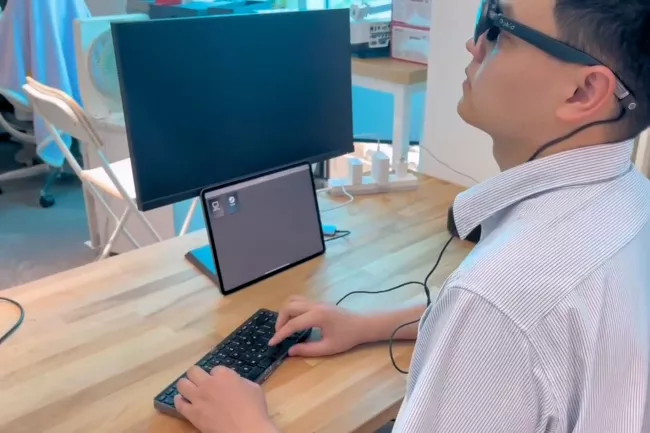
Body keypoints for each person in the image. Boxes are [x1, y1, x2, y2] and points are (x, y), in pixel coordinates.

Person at [173, 0, 650, 431]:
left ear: (583, 91)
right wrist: (369, 325)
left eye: (498, 27)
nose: (474, 44)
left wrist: (244, 425)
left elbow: (504, 319)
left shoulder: (499, 298)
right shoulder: (632, 201)